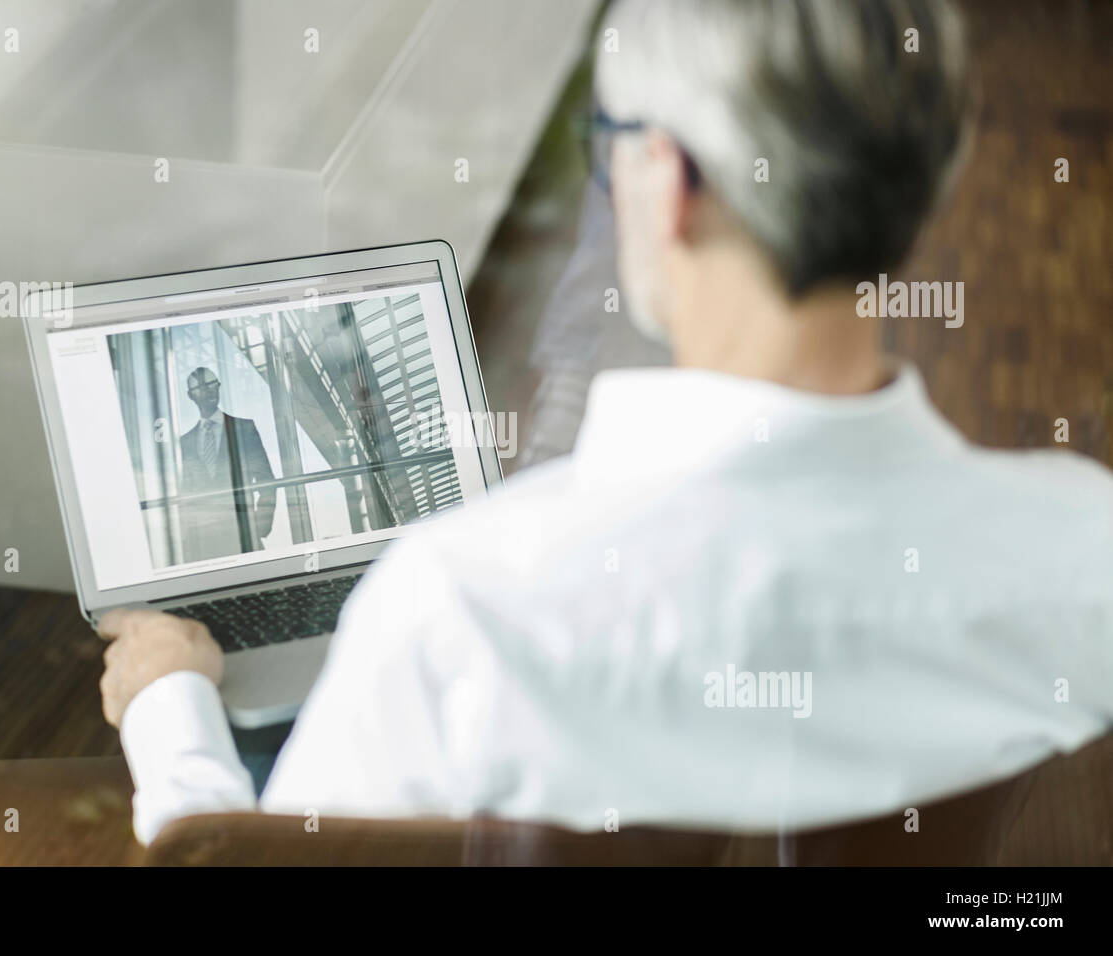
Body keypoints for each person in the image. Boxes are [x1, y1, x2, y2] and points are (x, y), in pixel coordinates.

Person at [99, 0, 1113, 846]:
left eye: (608, 143)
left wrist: (170, 708)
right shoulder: (1084, 551)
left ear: (667, 180)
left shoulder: (466, 606)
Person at [176, 367, 277, 560]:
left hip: (241, 533)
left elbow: (266, 480)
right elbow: (185, 493)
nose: (209, 390)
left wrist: (260, 524)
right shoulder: (185, 442)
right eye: (201, 387)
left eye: (213, 384)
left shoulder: (244, 429)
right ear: (191, 396)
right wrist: (185, 534)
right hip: (201, 540)